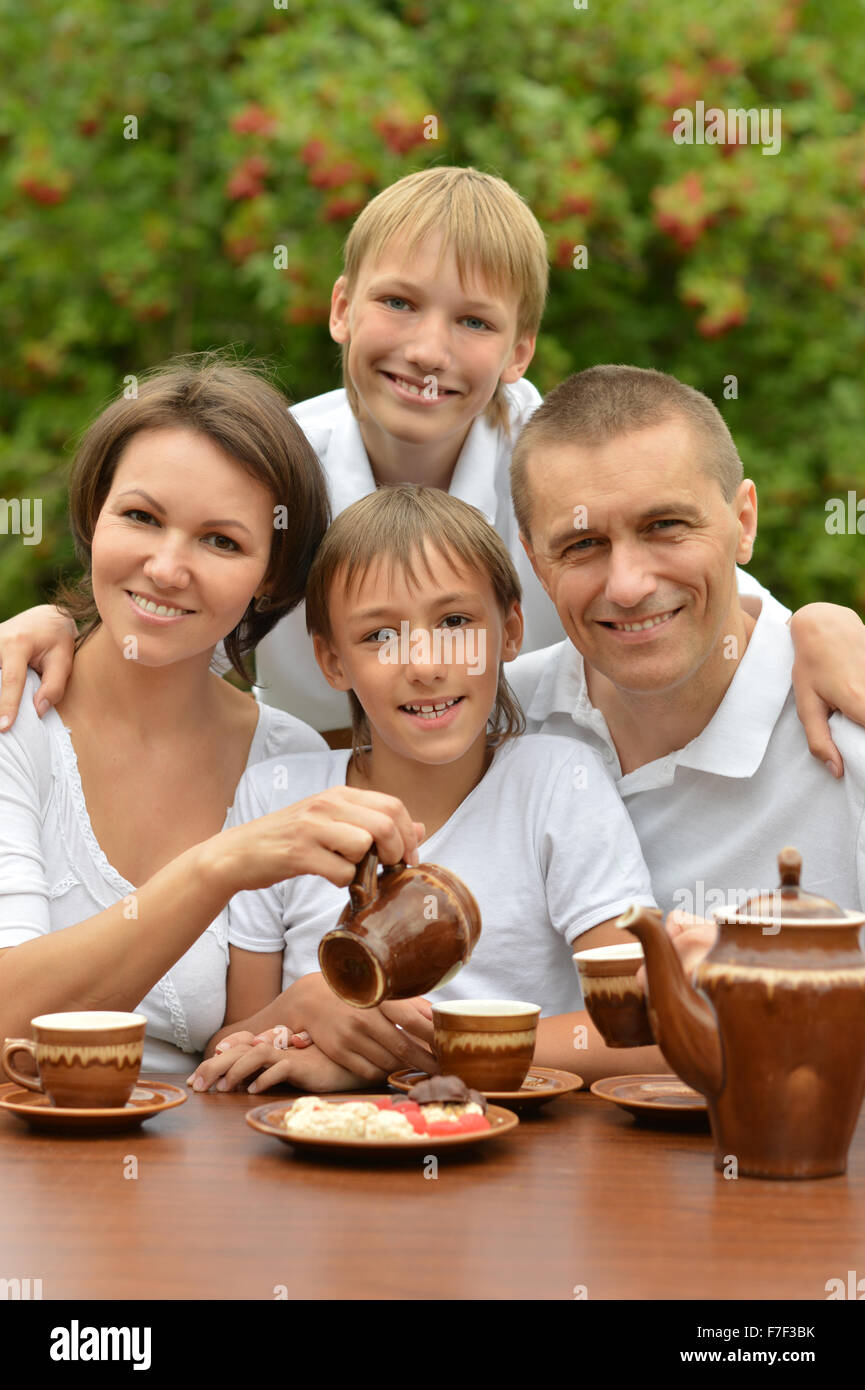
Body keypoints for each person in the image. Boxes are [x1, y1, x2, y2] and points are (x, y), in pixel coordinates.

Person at [1, 167, 847, 745]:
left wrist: (816, 626)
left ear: (519, 350)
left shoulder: (561, 460)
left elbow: (701, 583)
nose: (428, 349)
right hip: (314, 805)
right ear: (339, 307)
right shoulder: (272, 466)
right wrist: (56, 627)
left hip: (527, 800)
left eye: (474, 322)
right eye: (398, 303)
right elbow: (169, 612)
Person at [0, 358, 428, 1074]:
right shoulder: (14, 716)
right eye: (140, 516)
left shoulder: (284, 756)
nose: (168, 568)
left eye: (221, 540)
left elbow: (219, 1052)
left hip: (194, 1173)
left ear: (270, 575)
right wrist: (217, 867)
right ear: (93, 515)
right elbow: (13, 1026)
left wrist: (292, 1014)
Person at [188, 485, 681, 1096]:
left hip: (517, 1164)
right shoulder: (281, 797)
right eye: (378, 636)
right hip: (319, 1158)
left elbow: (650, 1032)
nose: (423, 664)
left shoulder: (558, 783)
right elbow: (229, 1042)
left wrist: (415, 1055)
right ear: (333, 660)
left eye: (454, 622)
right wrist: (303, 1006)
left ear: (509, 630)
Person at [506, 364, 865, 928]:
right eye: (583, 543)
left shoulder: (852, 733)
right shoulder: (493, 724)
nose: (628, 586)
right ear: (537, 565)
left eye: (665, 525)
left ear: (743, 522)